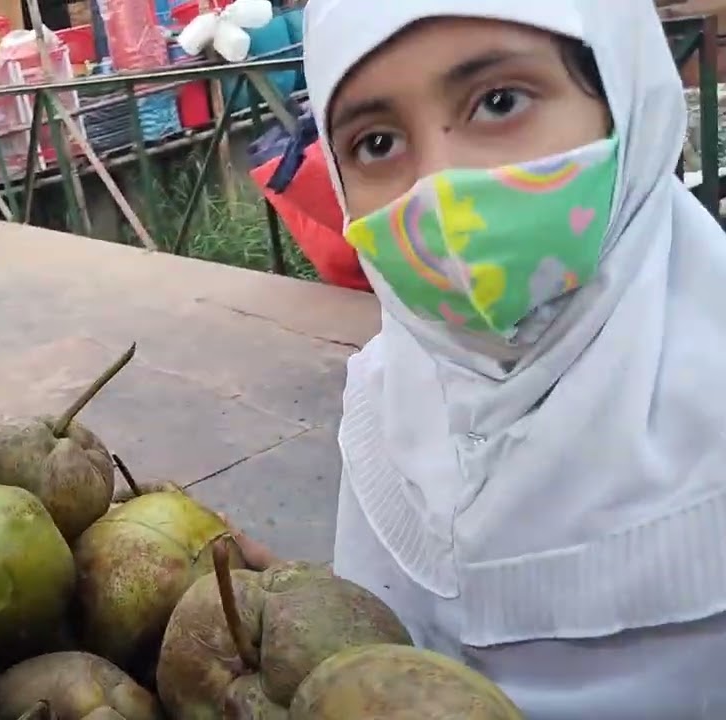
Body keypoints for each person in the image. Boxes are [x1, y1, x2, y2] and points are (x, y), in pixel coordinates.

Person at [231, 0, 726, 716]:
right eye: (376, 143)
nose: (441, 188)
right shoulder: (382, 396)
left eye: (499, 101)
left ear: (623, 96)